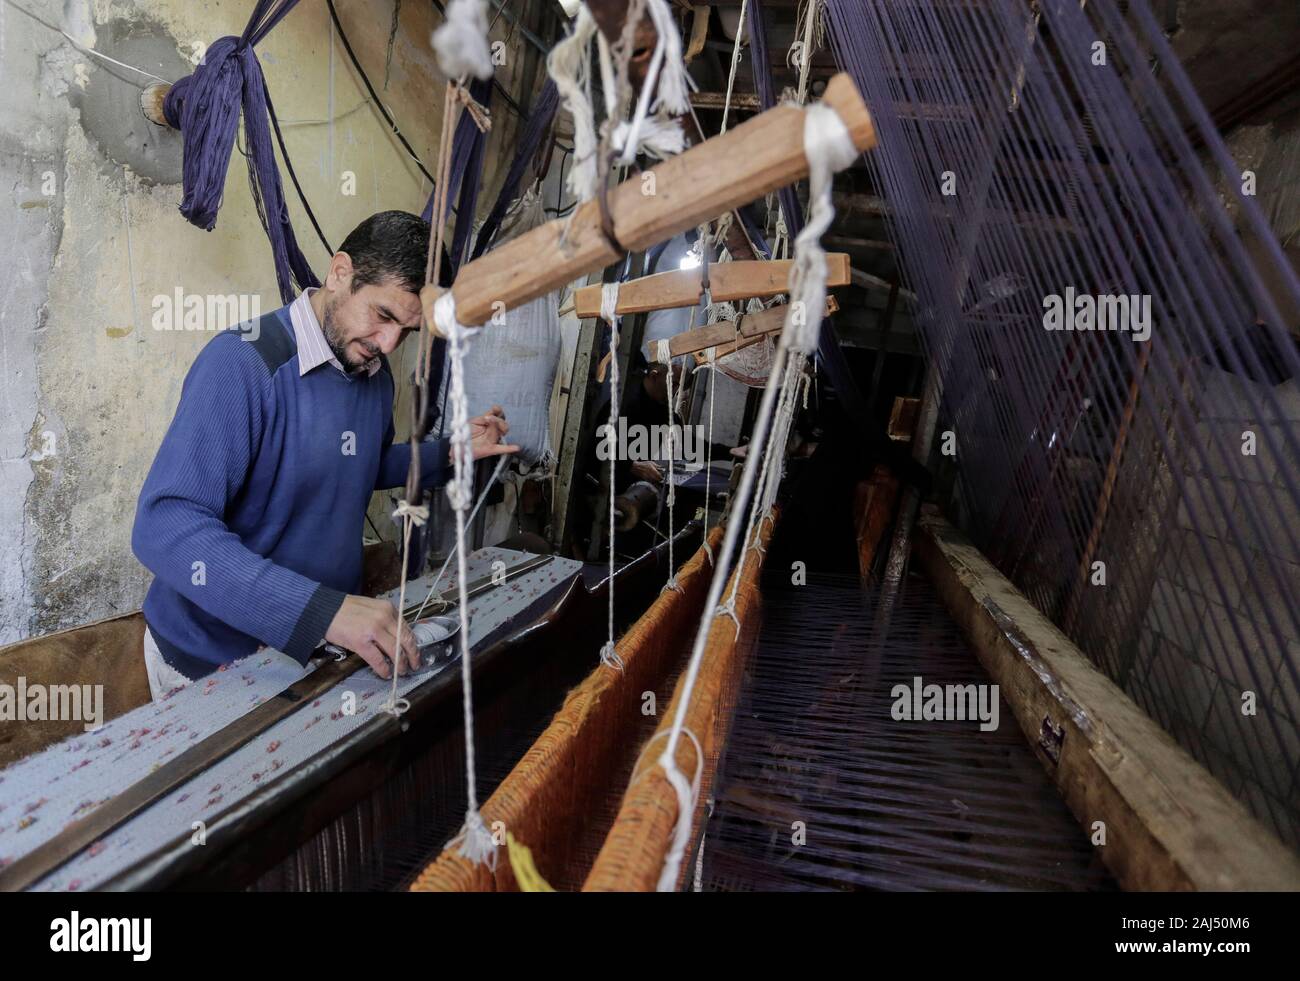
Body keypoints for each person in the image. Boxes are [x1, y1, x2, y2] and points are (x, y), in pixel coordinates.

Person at [132, 211, 518, 700]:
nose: (387, 344)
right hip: (211, 661)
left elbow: (361, 466)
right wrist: (321, 611)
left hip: (312, 651)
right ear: (340, 273)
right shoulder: (243, 364)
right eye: (382, 316)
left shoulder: (374, 377)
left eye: (407, 331)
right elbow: (164, 527)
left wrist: (452, 452)